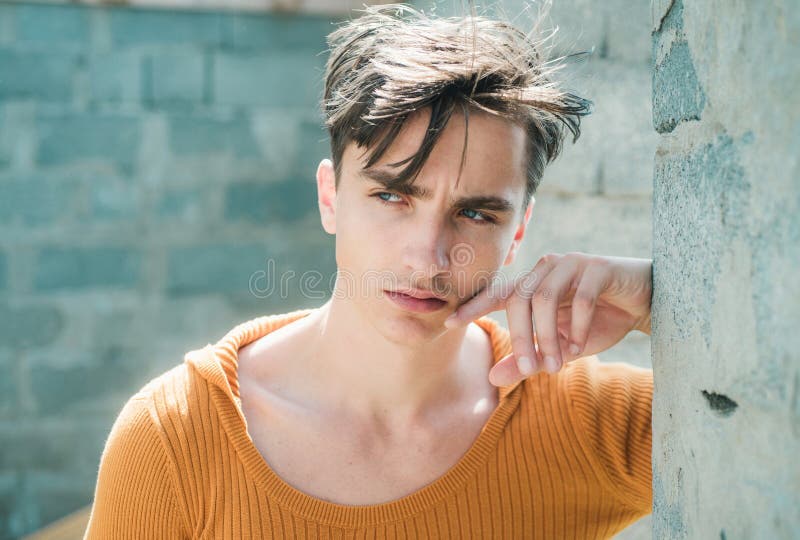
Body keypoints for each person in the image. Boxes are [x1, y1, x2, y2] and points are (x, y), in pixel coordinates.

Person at [84, 4, 653, 538]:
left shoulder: (587, 422)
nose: (428, 257)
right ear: (331, 197)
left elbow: (744, 413)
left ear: (518, 230)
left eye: (475, 213)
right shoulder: (173, 439)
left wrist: (657, 302)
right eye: (392, 197)